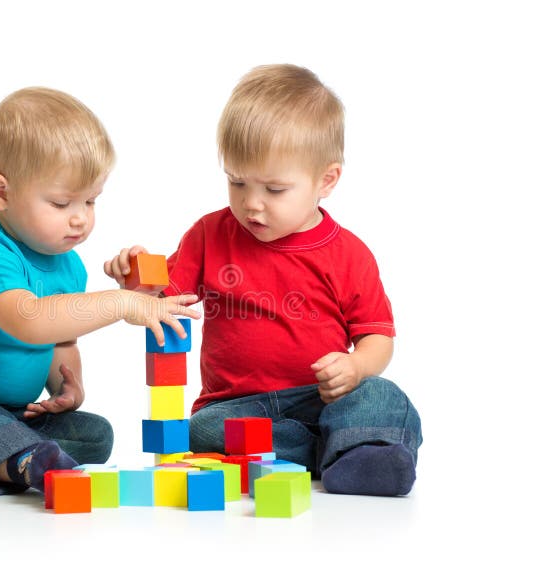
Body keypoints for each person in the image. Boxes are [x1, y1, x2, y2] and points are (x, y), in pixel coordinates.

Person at [105, 65, 422, 496]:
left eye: (274, 190)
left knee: (382, 395)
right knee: (200, 433)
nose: (251, 205)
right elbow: (164, 307)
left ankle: (362, 454)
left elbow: (377, 339)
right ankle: (333, 452)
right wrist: (138, 294)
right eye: (237, 182)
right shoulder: (208, 235)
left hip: (322, 399)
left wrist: (355, 367)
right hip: (235, 410)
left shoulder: (349, 254)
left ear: (325, 181)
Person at [0, 87, 199, 496]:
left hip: (8, 415)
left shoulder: (69, 265)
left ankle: (11, 459)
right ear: (2, 193)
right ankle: (15, 458)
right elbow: (30, 320)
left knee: (95, 435)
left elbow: (59, 337)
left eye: (91, 201)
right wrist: (119, 301)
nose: (81, 218)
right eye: (62, 202)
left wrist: (69, 386)